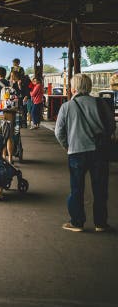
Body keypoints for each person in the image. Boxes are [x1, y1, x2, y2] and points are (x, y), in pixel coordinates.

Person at [54, 73, 115, 232]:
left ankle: (77, 222)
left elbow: (58, 132)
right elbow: (111, 127)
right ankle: (100, 223)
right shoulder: (100, 103)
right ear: (89, 87)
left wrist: (67, 145)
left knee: (77, 188)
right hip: (99, 152)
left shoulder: (67, 106)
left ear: (73, 88)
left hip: (76, 152)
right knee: (100, 189)